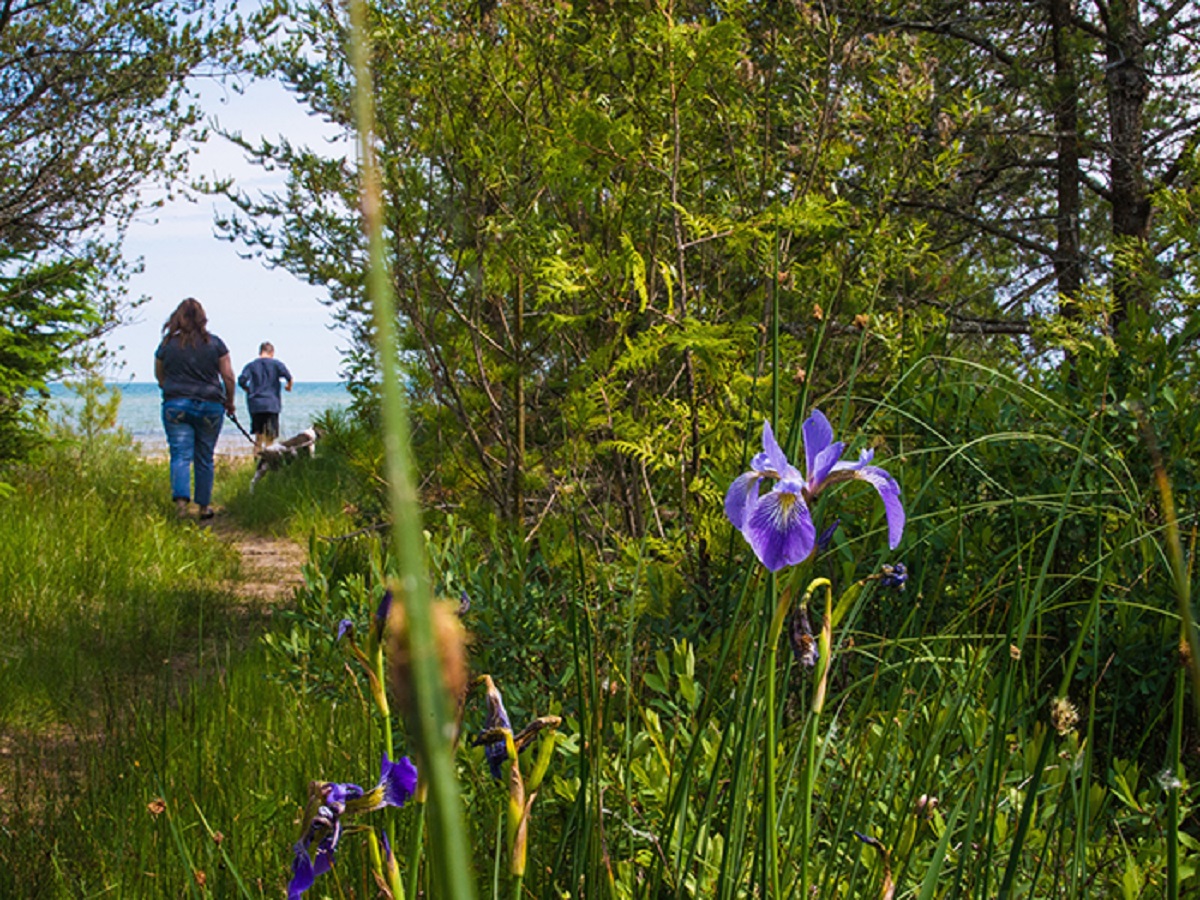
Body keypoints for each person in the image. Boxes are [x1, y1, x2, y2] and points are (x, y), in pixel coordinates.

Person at [154, 298, 236, 519]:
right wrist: (230, 402)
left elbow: (160, 376)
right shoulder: (216, 344)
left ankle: (181, 507)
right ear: (202, 318)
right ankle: (204, 507)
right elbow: (228, 376)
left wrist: (172, 389)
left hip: (176, 404)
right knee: (205, 456)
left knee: (180, 454)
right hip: (210, 405)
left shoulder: (166, 345)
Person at [238, 341, 294, 454]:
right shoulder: (277, 364)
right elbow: (289, 377)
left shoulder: (251, 365)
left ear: (260, 352)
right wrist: (288, 386)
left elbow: (241, 380)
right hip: (271, 404)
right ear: (272, 353)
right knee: (270, 438)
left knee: (258, 437)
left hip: (256, 404)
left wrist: (247, 389)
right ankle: (269, 463)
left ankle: (257, 461)